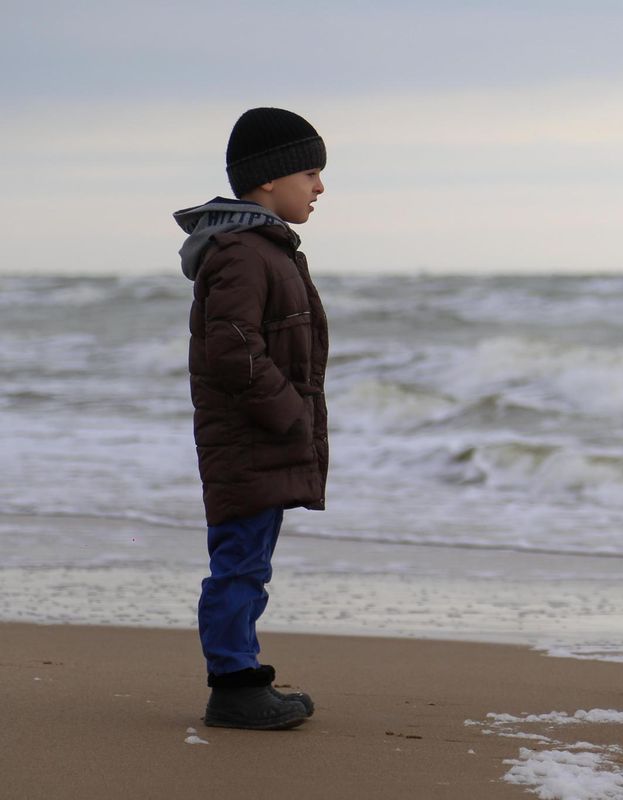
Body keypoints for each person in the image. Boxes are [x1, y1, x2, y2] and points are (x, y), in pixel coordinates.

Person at [172, 107, 330, 730]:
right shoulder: (243, 252)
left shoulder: (264, 249)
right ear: (268, 181)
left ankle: (241, 674)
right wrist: (290, 415)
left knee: (248, 563)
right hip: (250, 440)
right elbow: (234, 347)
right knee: (239, 564)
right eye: (311, 173)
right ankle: (234, 686)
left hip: (260, 440)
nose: (320, 188)